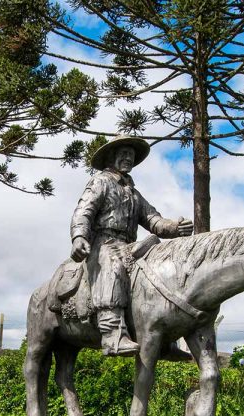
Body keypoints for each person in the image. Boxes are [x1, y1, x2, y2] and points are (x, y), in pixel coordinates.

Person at [70, 136, 194, 356]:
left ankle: (164, 337)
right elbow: (84, 211)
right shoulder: (100, 182)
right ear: (111, 156)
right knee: (113, 266)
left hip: (129, 244)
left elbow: (153, 220)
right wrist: (79, 236)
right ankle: (113, 335)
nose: (128, 158)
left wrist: (175, 227)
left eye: (131, 155)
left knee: (157, 265)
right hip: (104, 242)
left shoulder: (135, 194)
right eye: (123, 153)